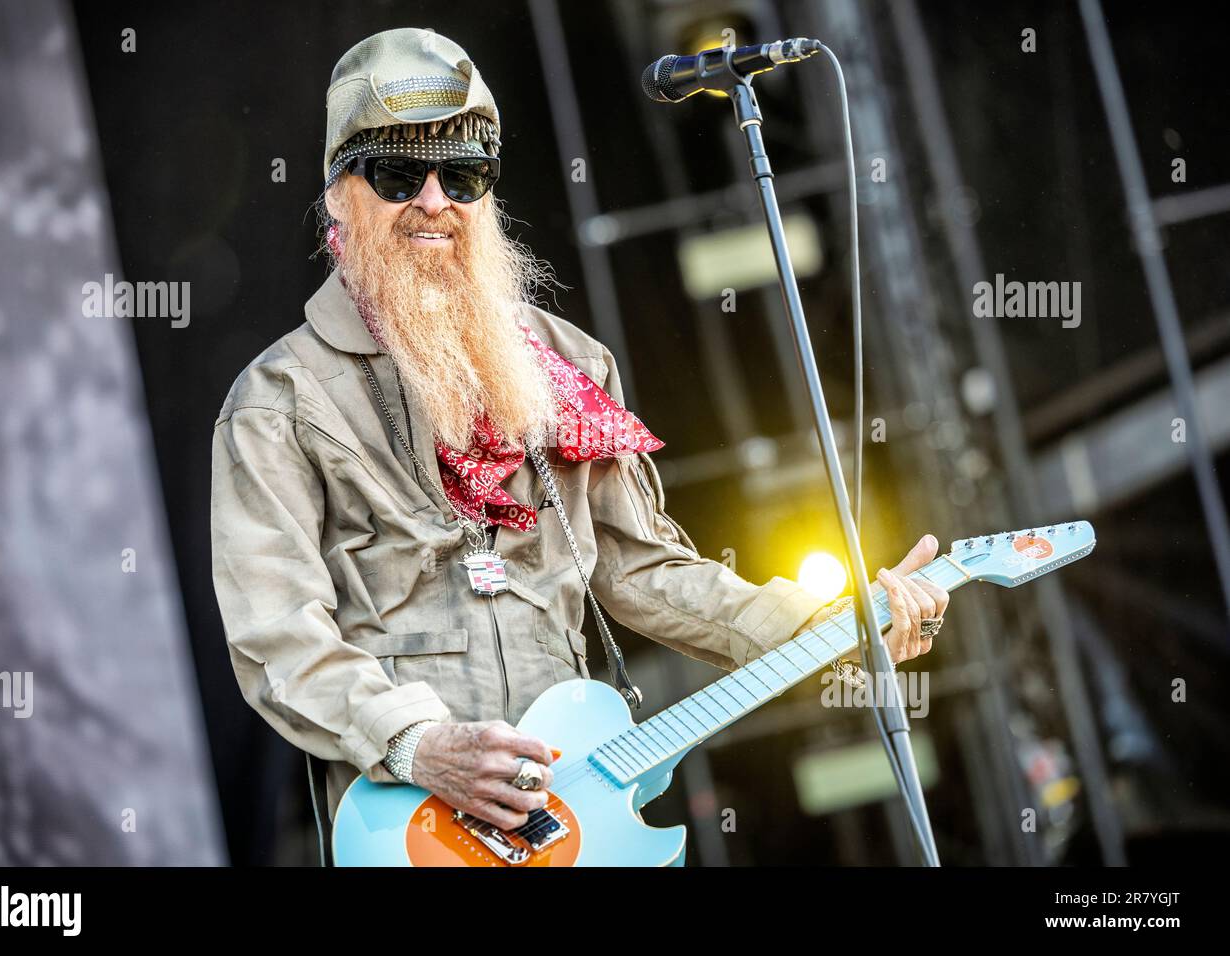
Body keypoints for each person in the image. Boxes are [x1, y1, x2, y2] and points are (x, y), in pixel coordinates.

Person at [209, 27, 948, 836]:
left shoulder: (564, 364)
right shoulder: (278, 402)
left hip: (573, 816)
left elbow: (644, 568)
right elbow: (275, 638)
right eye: (396, 174)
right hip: (410, 827)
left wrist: (820, 622)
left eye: (462, 174)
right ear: (341, 191)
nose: (433, 201)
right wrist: (416, 742)